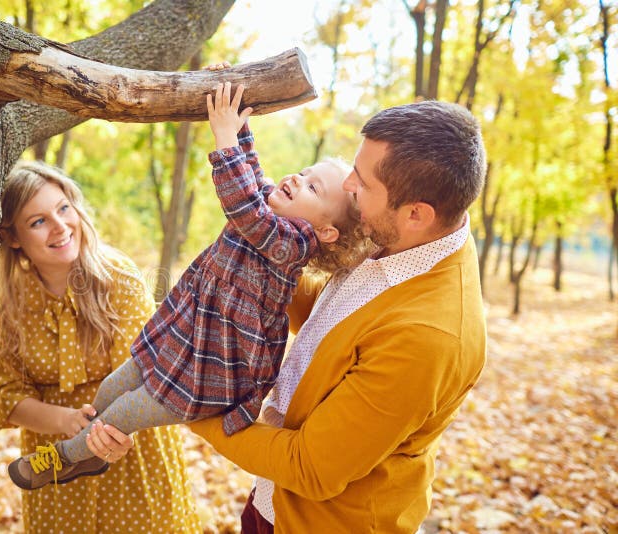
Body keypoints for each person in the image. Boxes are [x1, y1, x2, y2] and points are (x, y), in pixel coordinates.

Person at [7, 81, 373, 491]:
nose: (296, 178)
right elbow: (250, 173)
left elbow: (244, 204)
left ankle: (67, 457)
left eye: (312, 187)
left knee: (126, 409)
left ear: (324, 231)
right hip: (187, 339)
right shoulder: (271, 208)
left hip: (217, 365)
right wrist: (238, 115)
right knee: (113, 387)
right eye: (305, 172)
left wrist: (222, 136)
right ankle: (87, 453)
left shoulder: (290, 243)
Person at [188, 99, 488, 533]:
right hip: (271, 499)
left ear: (416, 214)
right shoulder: (410, 233)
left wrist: (188, 406)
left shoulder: (428, 337)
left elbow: (311, 467)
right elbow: (332, 314)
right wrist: (265, 241)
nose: (348, 186)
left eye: (363, 183)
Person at [0, 160, 201, 533]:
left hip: (132, 445)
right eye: (38, 221)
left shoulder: (117, 277)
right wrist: (66, 422)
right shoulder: (8, 301)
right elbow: (7, 395)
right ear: (13, 237)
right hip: (53, 463)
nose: (60, 227)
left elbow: (143, 374)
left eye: (63, 208)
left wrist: (102, 435)